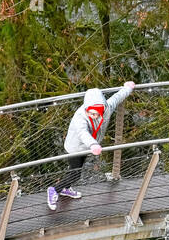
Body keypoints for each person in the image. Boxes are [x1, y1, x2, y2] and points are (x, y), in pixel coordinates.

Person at [48, 81, 136, 211]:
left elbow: (116, 98)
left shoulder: (107, 109)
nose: (93, 116)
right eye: (90, 113)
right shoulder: (80, 117)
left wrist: (127, 88)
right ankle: (54, 190)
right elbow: (83, 133)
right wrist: (93, 144)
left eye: (96, 114)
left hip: (88, 148)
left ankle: (65, 188)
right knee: (76, 174)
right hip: (76, 148)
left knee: (74, 171)